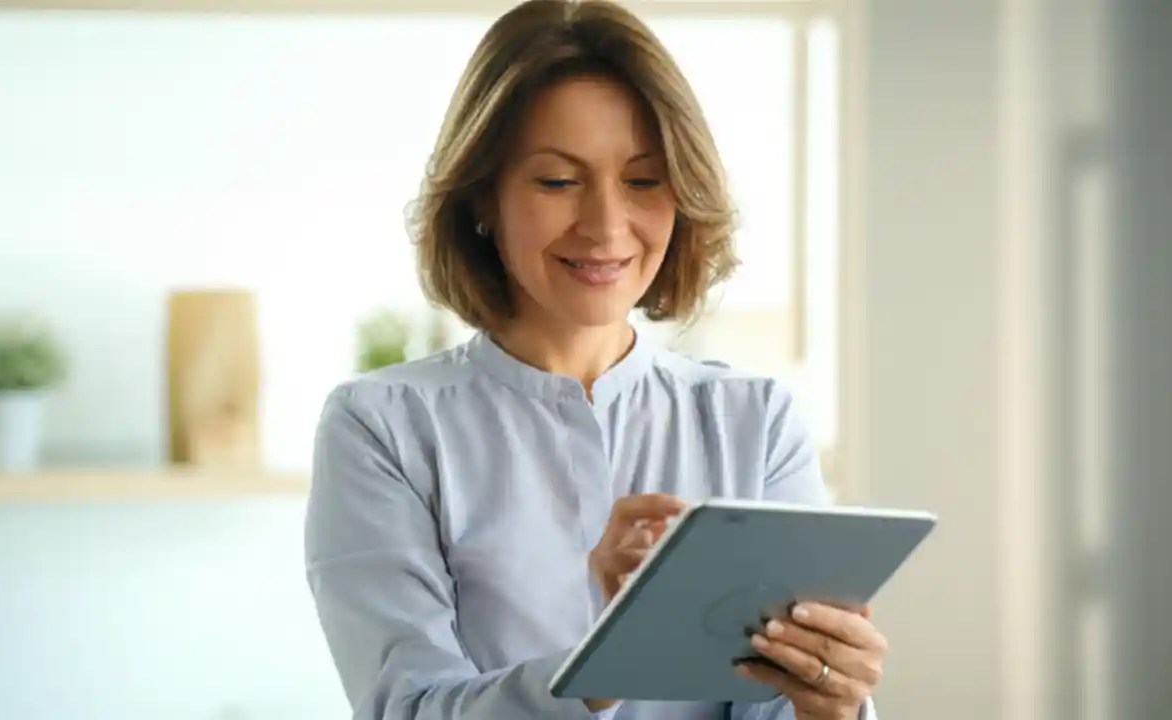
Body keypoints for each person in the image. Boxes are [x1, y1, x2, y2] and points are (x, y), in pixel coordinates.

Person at [304, 1, 887, 718]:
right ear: (483, 195)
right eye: (557, 181)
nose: (606, 227)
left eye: (642, 181)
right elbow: (408, 707)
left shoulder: (756, 420)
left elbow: (771, 702)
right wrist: (615, 654)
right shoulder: (382, 427)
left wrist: (830, 702)